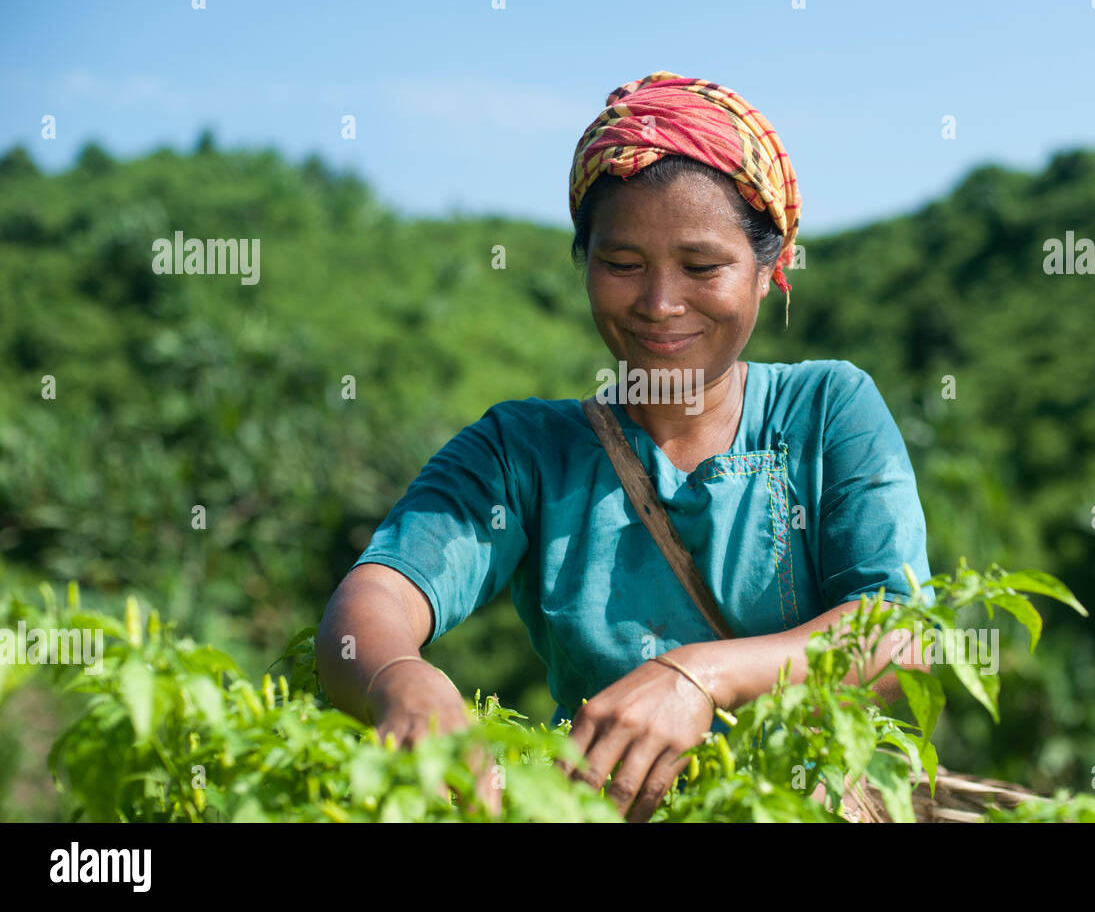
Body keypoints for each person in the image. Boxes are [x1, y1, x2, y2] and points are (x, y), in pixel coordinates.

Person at [317, 71, 932, 822]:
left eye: (703, 267)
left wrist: (697, 678)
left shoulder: (827, 411)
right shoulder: (525, 452)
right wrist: (399, 679)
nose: (660, 304)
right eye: (622, 265)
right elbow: (377, 594)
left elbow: (900, 634)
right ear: (584, 262)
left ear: (769, 272)